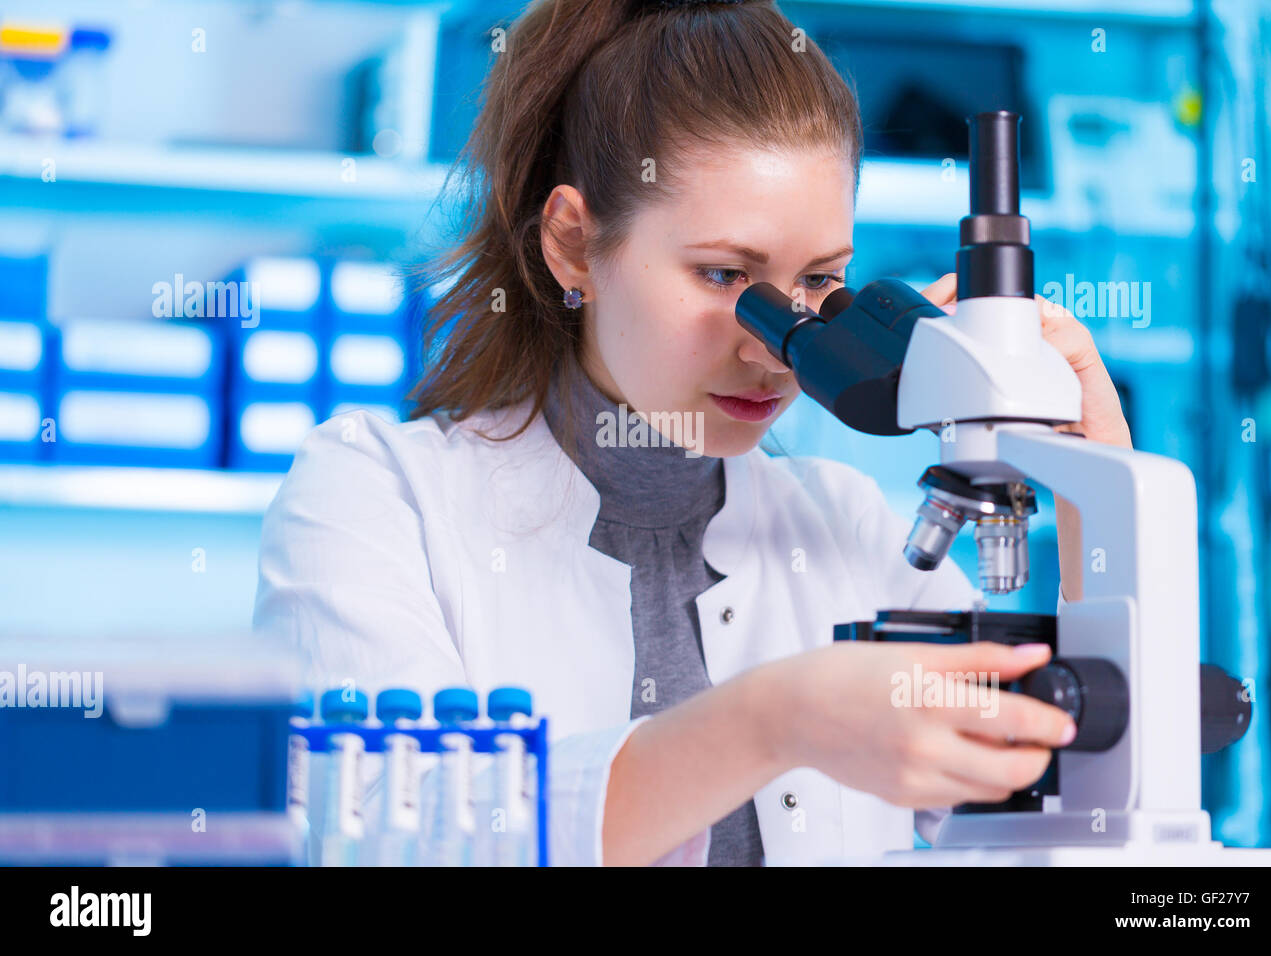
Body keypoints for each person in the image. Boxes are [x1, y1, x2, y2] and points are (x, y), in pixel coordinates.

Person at [253, 0, 1133, 866]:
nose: (773, 347)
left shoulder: (848, 528)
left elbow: (1067, 820)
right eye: (723, 274)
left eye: (821, 280)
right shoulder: (375, 496)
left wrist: (1107, 492)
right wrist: (778, 717)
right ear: (571, 245)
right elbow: (387, 840)